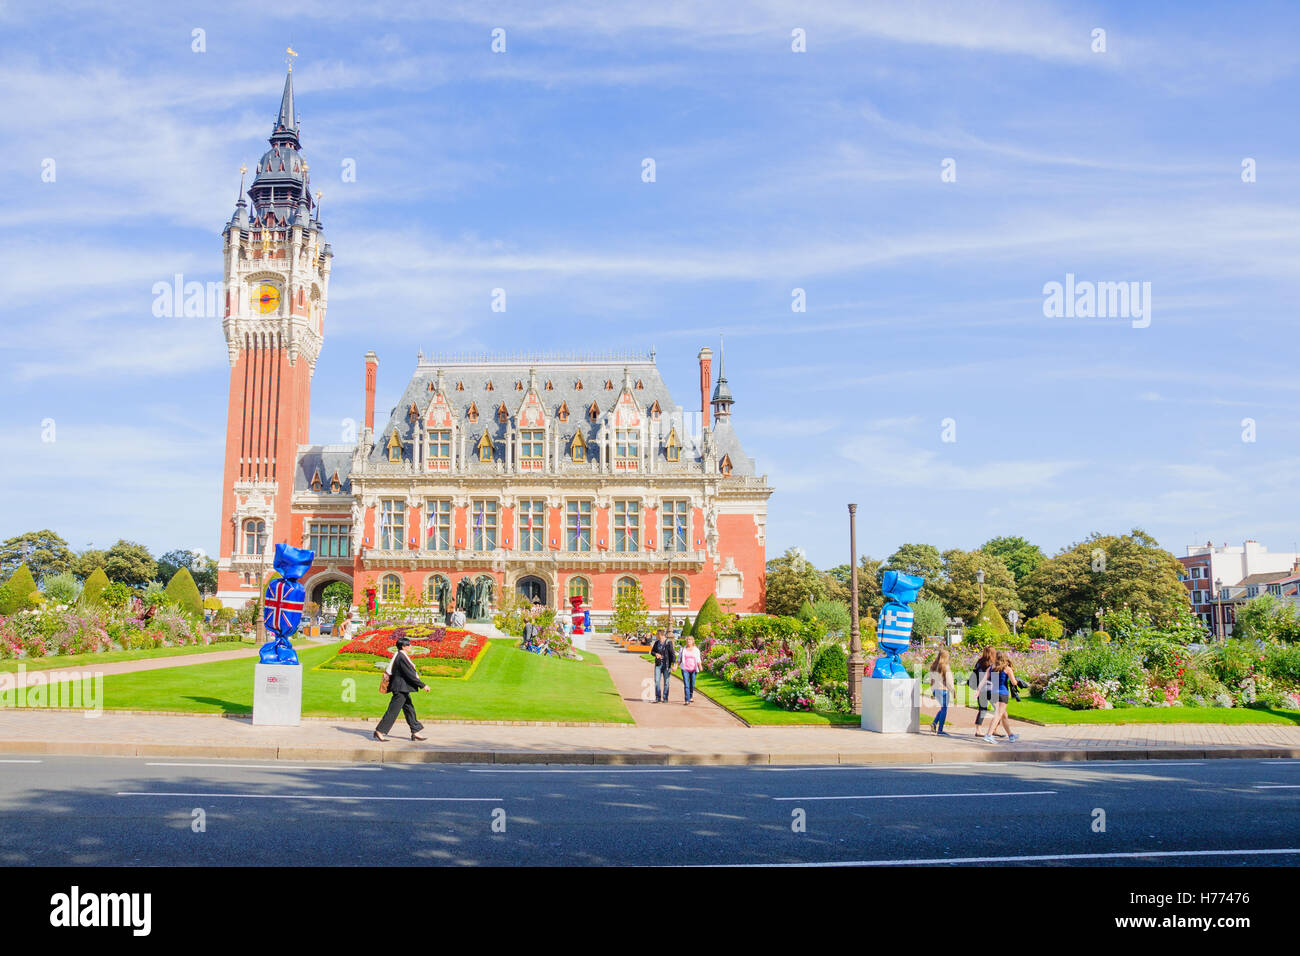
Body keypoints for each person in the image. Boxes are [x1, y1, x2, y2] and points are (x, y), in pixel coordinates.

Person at [373, 636, 430, 741]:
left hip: (403, 689)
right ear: (403, 646)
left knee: (409, 709)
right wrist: (423, 685)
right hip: (400, 689)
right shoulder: (401, 657)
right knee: (393, 711)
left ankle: (415, 731)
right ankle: (379, 731)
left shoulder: (400, 655)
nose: (410, 646)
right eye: (408, 644)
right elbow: (410, 674)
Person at [982, 651, 1021, 743]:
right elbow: (1013, 682)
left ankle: (1011, 735)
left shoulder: (991, 668)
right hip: (1003, 693)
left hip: (993, 693)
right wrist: (1018, 681)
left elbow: (985, 679)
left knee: (1004, 715)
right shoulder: (1007, 669)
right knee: (998, 714)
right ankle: (989, 735)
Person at [927, 648, 954, 735]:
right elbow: (949, 681)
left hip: (935, 689)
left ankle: (934, 723)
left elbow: (931, 680)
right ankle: (940, 730)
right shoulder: (945, 667)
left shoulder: (933, 666)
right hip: (943, 690)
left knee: (942, 709)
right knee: (944, 710)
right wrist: (953, 691)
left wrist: (933, 691)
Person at [650, 629, 676, 703]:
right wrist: (656, 654)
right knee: (657, 681)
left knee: (666, 682)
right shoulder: (657, 643)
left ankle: (665, 698)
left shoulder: (668, 643)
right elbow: (652, 651)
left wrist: (673, 664)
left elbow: (672, 654)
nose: (656, 637)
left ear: (660, 635)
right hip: (658, 664)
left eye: (657, 635)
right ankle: (658, 697)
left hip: (666, 665)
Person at [679, 635, 702, 705]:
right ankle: (687, 699)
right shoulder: (683, 649)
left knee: (692, 684)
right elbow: (679, 658)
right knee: (686, 684)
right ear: (686, 641)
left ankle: (691, 695)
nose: (689, 641)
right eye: (688, 639)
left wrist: (700, 666)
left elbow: (698, 659)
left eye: (690, 640)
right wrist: (675, 665)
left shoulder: (696, 650)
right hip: (685, 669)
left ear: (693, 641)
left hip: (694, 669)